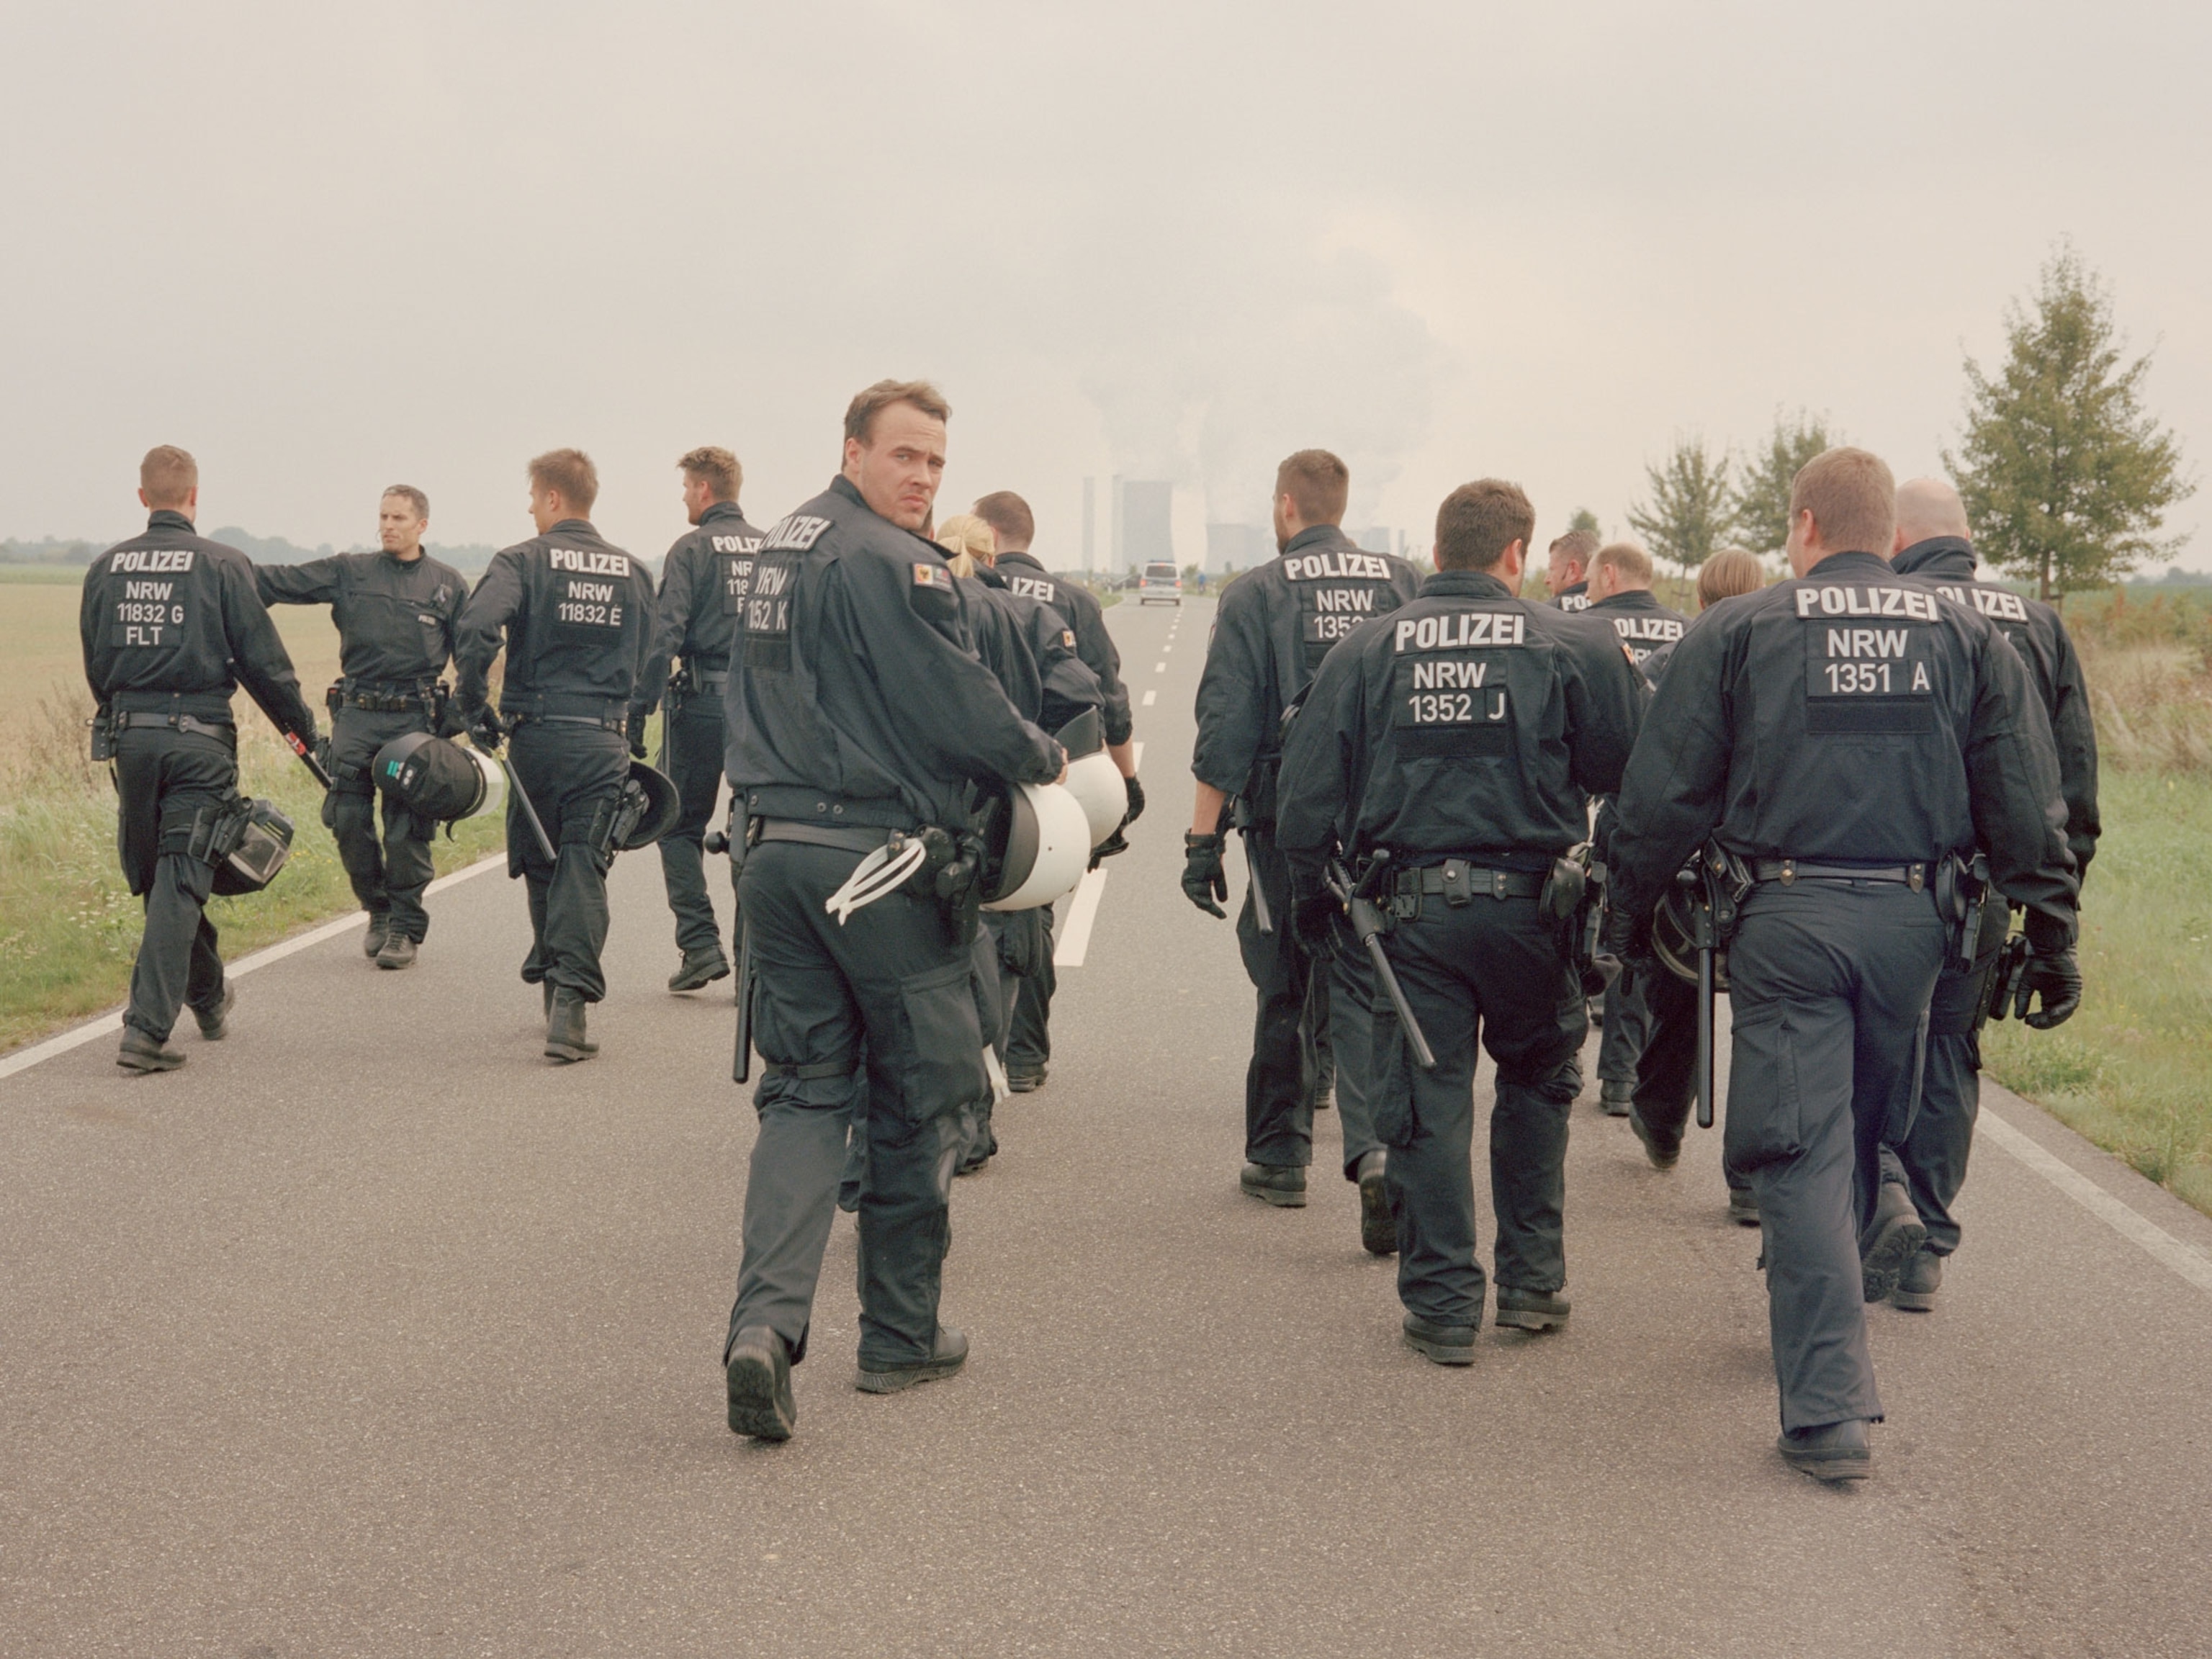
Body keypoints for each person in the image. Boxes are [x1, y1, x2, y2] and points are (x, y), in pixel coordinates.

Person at [1608, 447, 2080, 1483]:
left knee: (1806, 1151)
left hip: (1788, 922)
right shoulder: (1967, 631)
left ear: (1808, 526)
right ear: (1890, 535)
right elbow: (2020, 797)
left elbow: (1663, 797)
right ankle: (1878, 1216)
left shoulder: (1741, 628)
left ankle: (1825, 1411)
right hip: (1918, 927)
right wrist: (2052, 932)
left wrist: (1621, 916)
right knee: (1861, 1124)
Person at [719, 380, 1067, 1442]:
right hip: (876, 867)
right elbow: (952, 699)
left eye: (936, 465)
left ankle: (764, 1333)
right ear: (855, 449)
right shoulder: (893, 560)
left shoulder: (783, 543)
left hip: (774, 854)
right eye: (905, 456)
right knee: (920, 1100)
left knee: (806, 1094)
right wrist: (1041, 759)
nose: (921, 478)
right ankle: (899, 1338)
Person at [1278, 480, 1642, 1357]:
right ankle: (1530, 1283)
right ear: (1517, 556)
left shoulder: (1366, 649)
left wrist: (1312, 907)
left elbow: (1302, 804)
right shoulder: (1577, 640)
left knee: (1427, 1101)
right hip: (1535, 912)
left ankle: (1442, 1306)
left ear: (1436, 552)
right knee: (1535, 1086)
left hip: (1411, 918)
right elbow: (1630, 773)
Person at [1872, 477, 2100, 1308]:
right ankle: (1926, 1240)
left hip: (1886, 879)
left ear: (1898, 536)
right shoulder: (2037, 624)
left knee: (1869, 1048)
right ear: (1966, 538)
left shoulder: (1884, 614)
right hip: (1984, 891)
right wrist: (2055, 925)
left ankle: (1877, 1201)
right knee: (1950, 1054)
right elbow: (2071, 789)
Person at [1187, 449, 1421, 1249]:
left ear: (1286, 507)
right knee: (1372, 979)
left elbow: (1225, 722)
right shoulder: (1402, 582)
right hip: (1388, 815)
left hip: (1286, 817)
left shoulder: (1254, 592)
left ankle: (1280, 1156)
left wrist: (1201, 838)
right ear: (1340, 508)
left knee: (1286, 976)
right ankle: (1379, 1146)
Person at [81, 446, 320, 1071]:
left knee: (162, 878)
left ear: (142, 498)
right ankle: (145, 1033)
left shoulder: (106, 568)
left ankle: (210, 999)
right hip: (199, 744)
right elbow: (265, 667)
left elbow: (97, 667)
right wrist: (305, 736)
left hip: (131, 741)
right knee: (182, 876)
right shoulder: (222, 564)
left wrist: (129, 713)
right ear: (194, 497)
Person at [452, 449, 657, 1063]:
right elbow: (652, 658)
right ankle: (569, 1003)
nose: (530, 509)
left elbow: (477, 627)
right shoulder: (633, 571)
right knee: (581, 863)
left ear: (551, 499)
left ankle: (555, 998)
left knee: (544, 860)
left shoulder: (523, 559)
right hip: (601, 740)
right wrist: (631, 723)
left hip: (536, 738)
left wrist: (472, 702)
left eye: (532, 499)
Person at [936, 513, 1107, 1174]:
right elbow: (1081, 694)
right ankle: (985, 1096)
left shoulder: (918, 609)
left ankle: (948, 1106)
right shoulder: (1020, 615)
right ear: (990, 555)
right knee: (1010, 942)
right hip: (1008, 807)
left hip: (925, 802)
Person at [1605, 545, 1768, 1226]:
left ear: (1698, 601)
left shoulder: (1675, 662)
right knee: (1769, 1024)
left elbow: (1649, 776)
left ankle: (1663, 1119)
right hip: (1765, 864)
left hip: (1690, 867)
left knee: (1677, 999)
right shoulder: (1777, 659)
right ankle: (1752, 1182)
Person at [254, 485, 469, 969]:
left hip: (414, 719)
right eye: (383, 517)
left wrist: (457, 717)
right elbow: (277, 581)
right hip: (358, 713)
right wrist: (216, 571)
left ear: (422, 525)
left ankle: (405, 928)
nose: (389, 525)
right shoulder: (350, 571)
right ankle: (377, 909)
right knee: (348, 820)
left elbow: (473, 655)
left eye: (399, 518)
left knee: (404, 830)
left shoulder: (447, 584)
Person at [971, 489, 1139, 1092]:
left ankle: (976, 1059)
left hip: (964, 781)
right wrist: (1124, 779)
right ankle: (1026, 1053)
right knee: (1031, 907)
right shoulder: (1070, 600)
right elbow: (1108, 700)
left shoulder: (943, 597)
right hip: (1045, 781)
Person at [631, 447, 766, 993]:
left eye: (687, 487)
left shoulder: (691, 549)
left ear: (705, 490)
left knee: (679, 826)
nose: (685, 496)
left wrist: (640, 711)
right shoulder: (771, 548)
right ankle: (751, 965)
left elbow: (665, 635)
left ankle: (700, 946)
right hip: (763, 710)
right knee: (758, 832)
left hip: (703, 705)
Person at [1583, 541, 1691, 1118]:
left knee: (1600, 926)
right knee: (1654, 943)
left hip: (1615, 808)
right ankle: (1625, 1079)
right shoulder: (1688, 632)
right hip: (1675, 814)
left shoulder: (1583, 627)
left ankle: (1591, 1062)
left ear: (1606, 573)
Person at [1546, 527, 1599, 613]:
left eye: (1552, 569)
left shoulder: (1546, 614)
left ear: (1573, 570)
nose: (1546, 580)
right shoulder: (1614, 610)